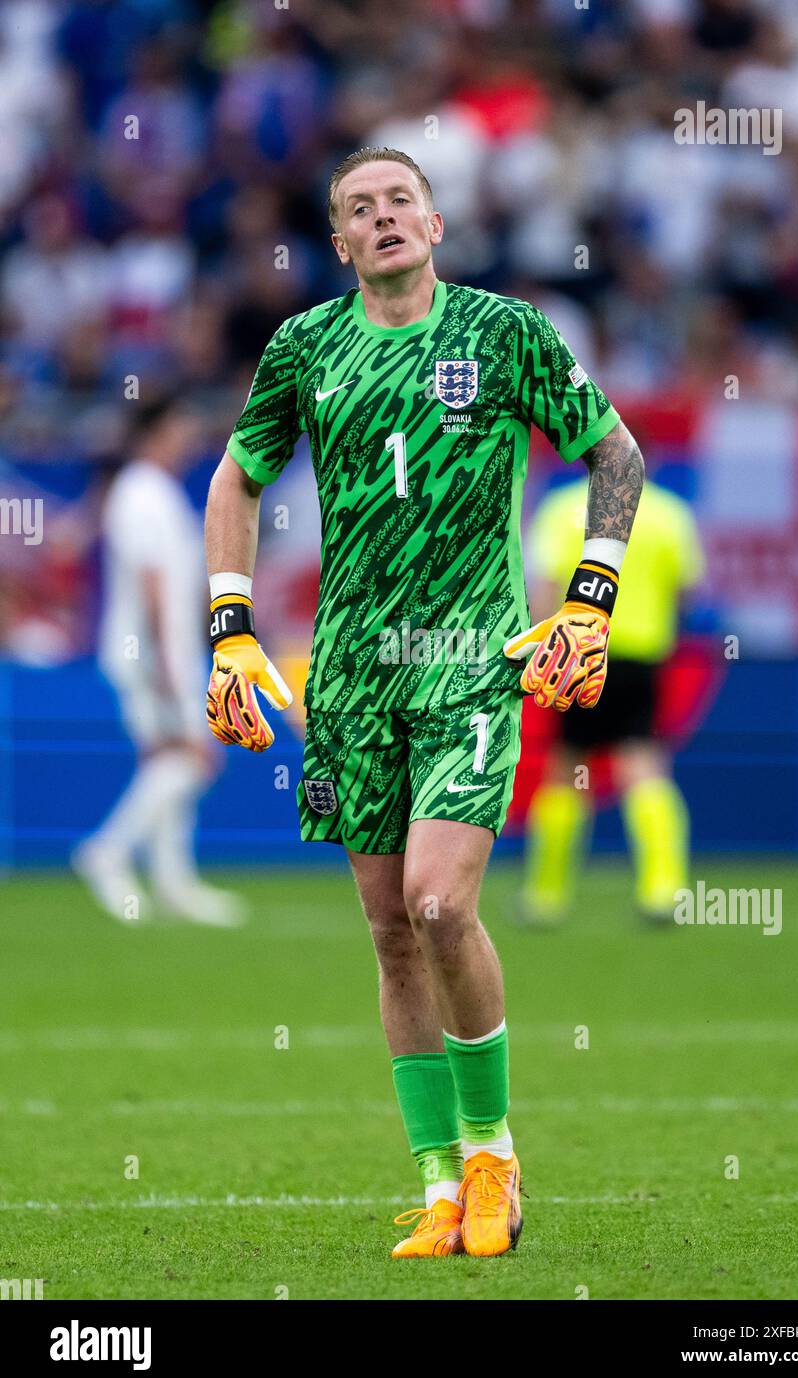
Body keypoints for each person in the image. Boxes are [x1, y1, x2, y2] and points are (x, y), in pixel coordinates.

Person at [204, 147, 644, 1258]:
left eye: (400, 199)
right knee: (391, 932)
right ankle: (439, 1183)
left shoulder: (504, 333)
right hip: (350, 677)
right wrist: (229, 627)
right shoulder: (303, 347)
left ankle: (494, 1156)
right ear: (340, 243)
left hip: (468, 662)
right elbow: (235, 478)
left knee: (440, 904)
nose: (382, 216)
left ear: (436, 223)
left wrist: (587, 604)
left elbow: (615, 456)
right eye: (358, 208)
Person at [73, 396, 245, 929]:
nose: (191, 440)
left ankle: (174, 882)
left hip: (166, 652)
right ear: (156, 430)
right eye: (182, 428)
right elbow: (152, 592)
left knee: (170, 761)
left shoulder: (158, 494)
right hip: (150, 656)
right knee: (190, 759)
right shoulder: (140, 494)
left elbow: (181, 588)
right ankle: (108, 850)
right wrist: (169, 672)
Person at [522, 474, 705, 923]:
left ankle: (546, 897)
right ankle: (663, 891)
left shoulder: (563, 508)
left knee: (567, 769)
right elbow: (686, 592)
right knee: (642, 764)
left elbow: (544, 588)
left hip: (579, 652)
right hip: (640, 658)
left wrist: (541, 649)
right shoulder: (669, 514)